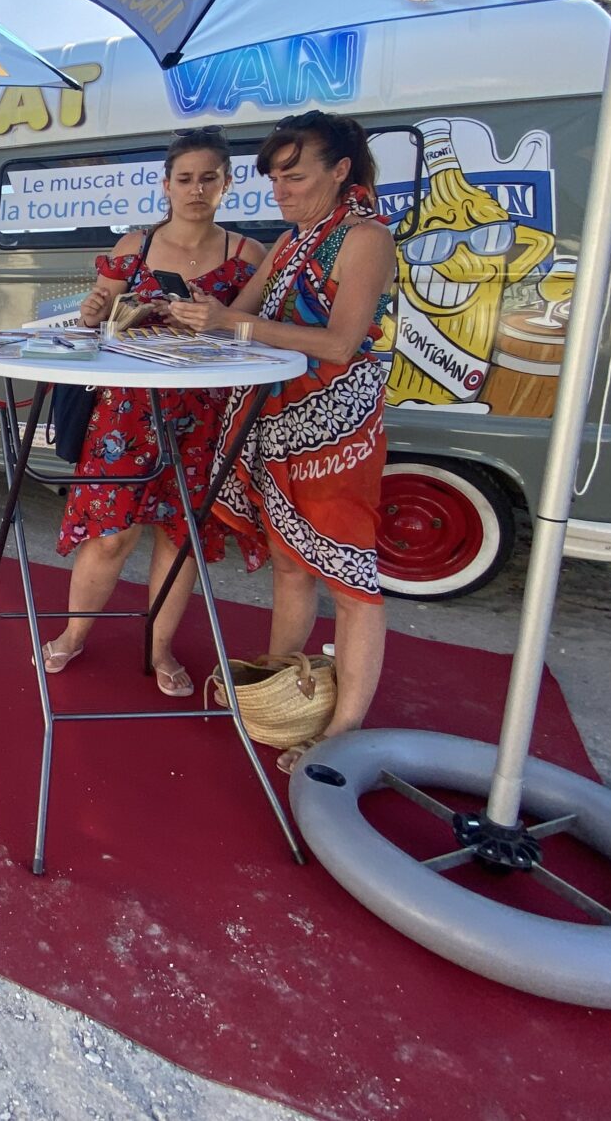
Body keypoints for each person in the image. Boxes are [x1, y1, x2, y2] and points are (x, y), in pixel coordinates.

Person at [165, 110, 397, 773]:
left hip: (336, 432)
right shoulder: (294, 240)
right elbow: (239, 311)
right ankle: (277, 685)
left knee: (350, 580)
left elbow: (339, 342)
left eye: (294, 177)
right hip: (276, 421)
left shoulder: (365, 237)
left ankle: (343, 729)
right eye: (273, 178)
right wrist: (187, 313)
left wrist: (231, 324)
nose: (281, 191)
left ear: (341, 170)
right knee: (290, 565)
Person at [43, 128, 268, 695]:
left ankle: (159, 647)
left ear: (227, 182)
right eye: (185, 179)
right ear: (166, 185)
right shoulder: (134, 245)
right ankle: (73, 634)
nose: (196, 189)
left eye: (208, 178)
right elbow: (95, 319)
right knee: (110, 534)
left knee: (179, 537)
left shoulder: (247, 254)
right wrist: (92, 311)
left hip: (204, 415)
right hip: (126, 413)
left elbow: (255, 336)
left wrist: (218, 322)